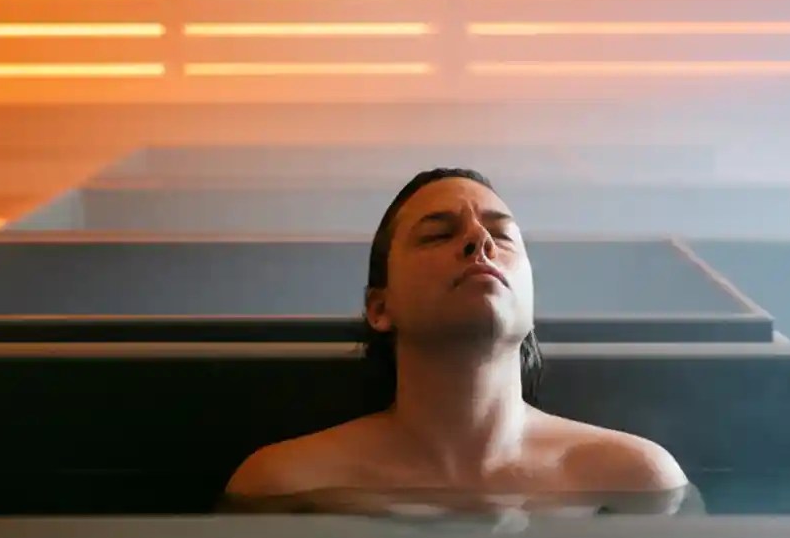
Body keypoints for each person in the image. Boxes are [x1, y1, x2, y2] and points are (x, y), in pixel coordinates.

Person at [224, 168, 692, 515]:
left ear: (530, 304)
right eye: (437, 234)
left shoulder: (634, 480)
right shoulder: (281, 486)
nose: (479, 240)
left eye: (503, 235)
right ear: (380, 308)